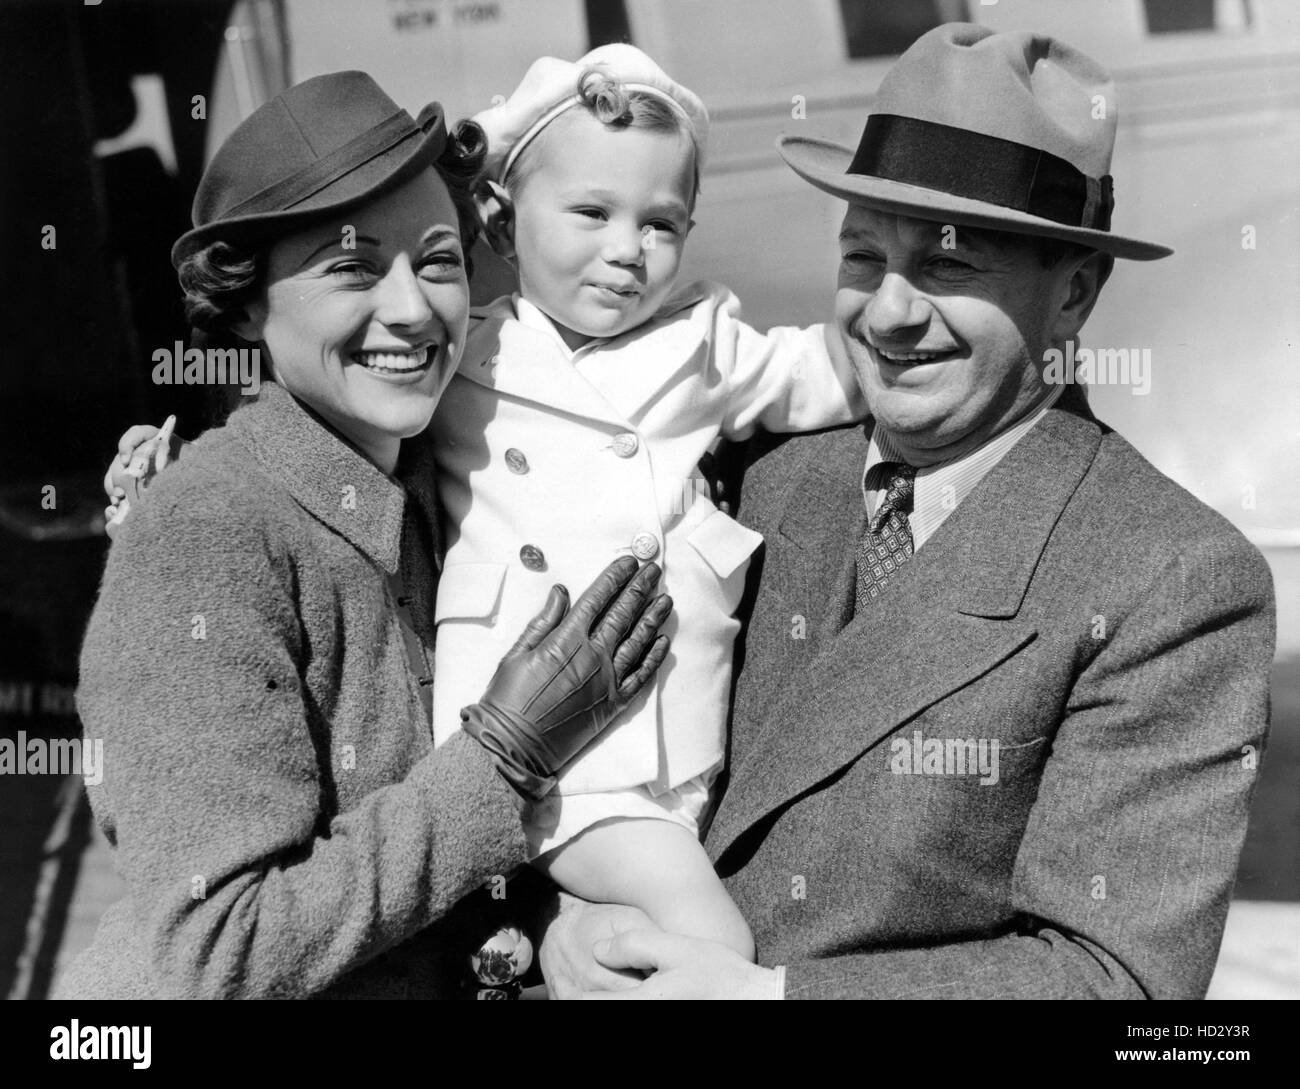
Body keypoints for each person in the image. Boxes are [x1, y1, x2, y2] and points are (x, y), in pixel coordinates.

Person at [541, 23, 1276, 1000]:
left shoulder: (1172, 578)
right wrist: (576, 916)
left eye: (946, 266)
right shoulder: (753, 467)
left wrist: (765, 999)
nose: (885, 313)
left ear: (1075, 294)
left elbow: (1117, 983)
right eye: (860, 257)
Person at [62, 71, 671, 1000]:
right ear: (248, 301)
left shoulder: (450, 468)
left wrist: (556, 922)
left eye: (437, 261)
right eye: (352, 267)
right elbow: (214, 952)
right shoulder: (203, 537)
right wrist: (504, 757)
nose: (413, 310)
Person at [420, 43, 868, 960]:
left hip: (671, 737)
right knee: (719, 946)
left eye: (663, 223)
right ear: (501, 227)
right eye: (592, 212)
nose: (629, 250)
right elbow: (340, 409)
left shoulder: (701, 343)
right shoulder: (466, 358)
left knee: (623, 950)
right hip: (547, 751)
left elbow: (820, 371)